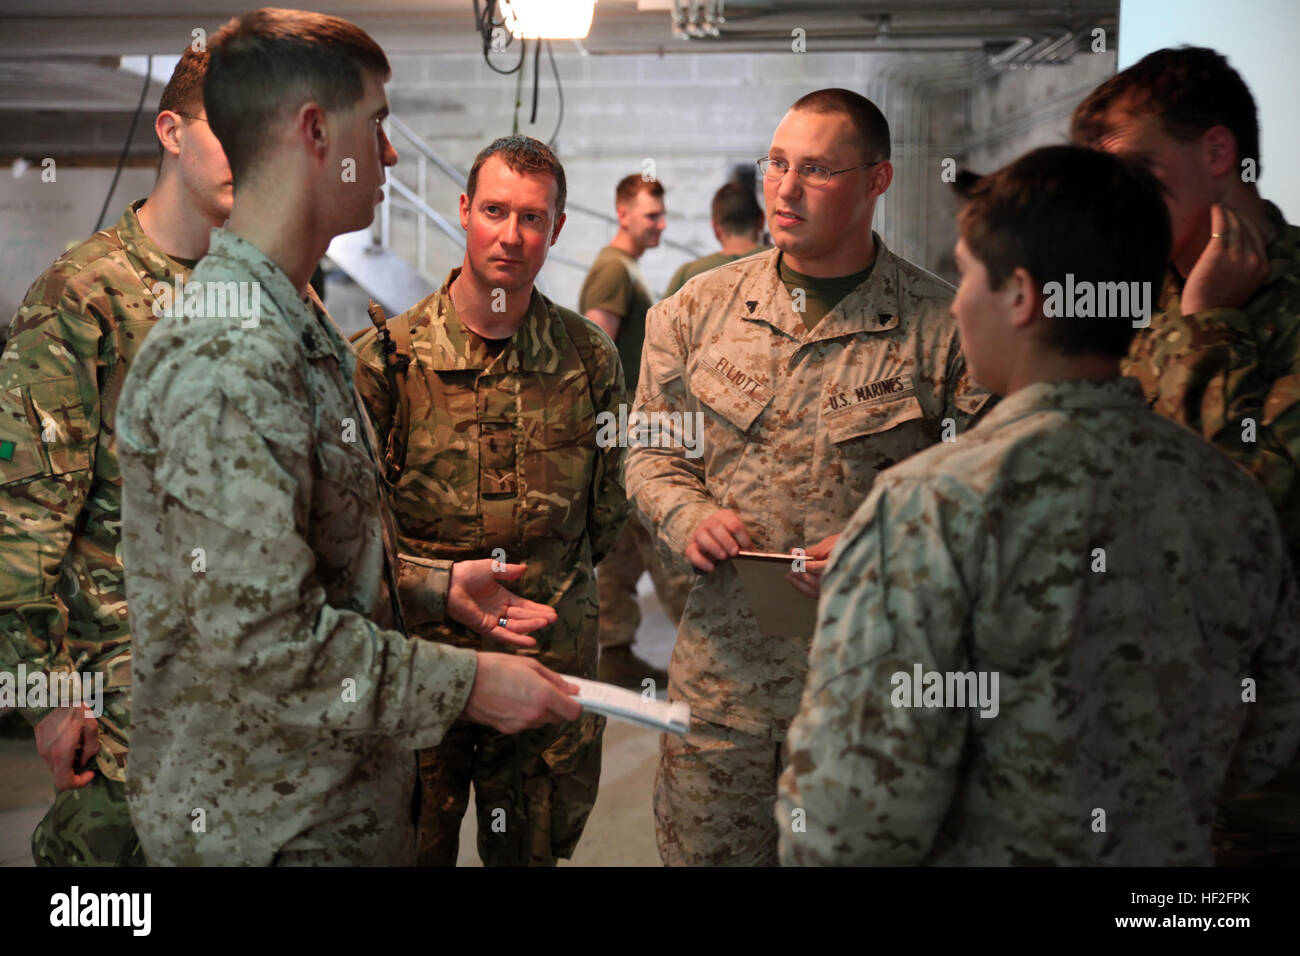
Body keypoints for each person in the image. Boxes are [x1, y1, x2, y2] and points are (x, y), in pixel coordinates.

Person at [116, 8, 581, 867]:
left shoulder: (297, 316)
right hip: (266, 827)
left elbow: (294, 559)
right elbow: (268, 644)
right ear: (316, 132)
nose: (394, 154)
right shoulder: (229, 355)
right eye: (381, 125)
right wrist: (470, 682)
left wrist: (436, 589)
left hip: (330, 809)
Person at [777, 145, 1300, 865]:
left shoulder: (932, 505)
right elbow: (1267, 737)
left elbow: (852, 819)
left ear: (1020, 295)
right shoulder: (1230, 497)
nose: (957, 301)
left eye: (965, 275)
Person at [626, 87, 991, 866]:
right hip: (724, 689)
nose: (785, 190)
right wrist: (688, 516)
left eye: (817, 170)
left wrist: (884, 544)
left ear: (877, 180)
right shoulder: (696, 312)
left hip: (873, 692)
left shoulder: (947, 328)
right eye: (778, 164)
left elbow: (985, 497)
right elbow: (652, 453)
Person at [352, 134, 626, 867]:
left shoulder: (587, 357)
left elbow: (606, 513)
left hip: (545, 657)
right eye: (496, 211)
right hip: (420, 668)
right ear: (464, 211)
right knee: (408, 850)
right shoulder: (386, 361)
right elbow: (348, 542)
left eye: (534, 217)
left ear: (558, 229)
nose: (512, 235)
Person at [0, 47, 231, 866]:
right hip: (117, 706)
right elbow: (23, 516)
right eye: (225, 129)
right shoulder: (85, 295)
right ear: (170, 131)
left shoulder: (274, 292)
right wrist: (45, 696)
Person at [1072, 45, 1300, 866]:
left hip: (1263, 781)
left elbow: (1247, 514)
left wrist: (1205, 326)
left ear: (1216, 153)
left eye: (1139, 170)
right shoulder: (1121, 304)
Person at [580, 175, 689, 688]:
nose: (660, 224)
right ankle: (704, 646)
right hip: (624, 432)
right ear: (623, 213)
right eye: (651, 215)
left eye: (662, 215)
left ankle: (615, 651)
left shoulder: (624, 269)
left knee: (621, 551)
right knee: (664, 542)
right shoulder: (611, 270)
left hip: (626, 429)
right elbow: (593, 355)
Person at [663, 181, 767, 298]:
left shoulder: (688, 274)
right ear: (762, 220)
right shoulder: (783, 263)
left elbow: (659, 315)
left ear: (715, 227)